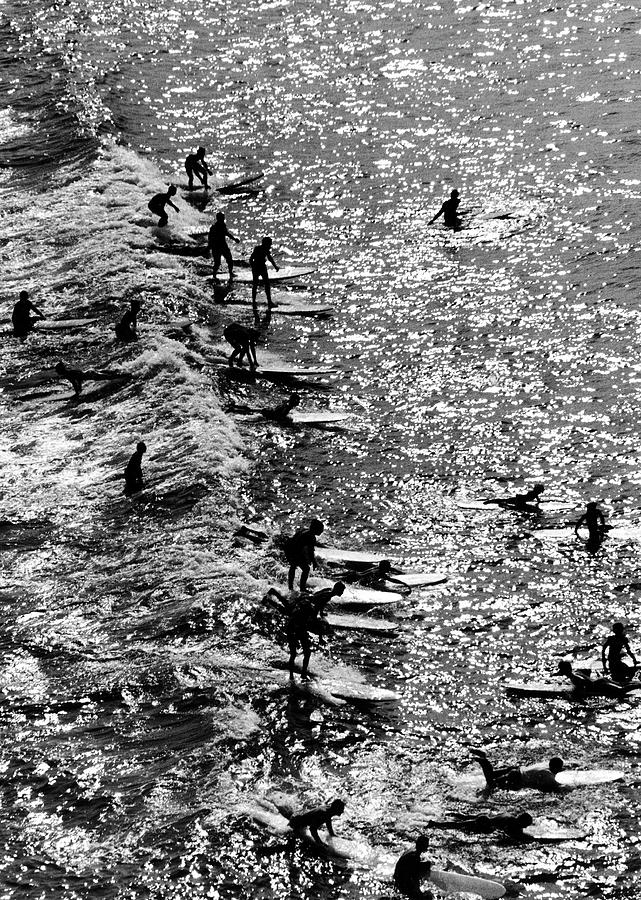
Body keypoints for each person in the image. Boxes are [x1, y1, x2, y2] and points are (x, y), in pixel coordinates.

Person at [471, 748, 564, 793]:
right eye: (559, 768)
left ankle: (483, 757)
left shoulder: (544, 765)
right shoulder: (548, 775)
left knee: (491, 774)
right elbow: (558, 786)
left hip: (515, 769)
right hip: (515, 777)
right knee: (491, 784)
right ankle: (483, 761)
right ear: (556, 768)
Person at [428, 812, 533, 841]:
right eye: (525, 825)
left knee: (463, 818)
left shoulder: (510, 815)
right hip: (483, 823)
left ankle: (449, 814)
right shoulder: (512, 823)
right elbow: (512, 834)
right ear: (522, 821)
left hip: (485, 817)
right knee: (458, 826)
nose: (525, 827)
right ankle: (435, 824)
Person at [283, 519, 324, 591]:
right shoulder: (311, 537)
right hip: (293, 550)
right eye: (320, 530)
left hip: (289, 548)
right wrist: (314, 562)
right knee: (306, 569)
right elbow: (310, 552)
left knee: (293, 566)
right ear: (315, 529)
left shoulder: (304, 530)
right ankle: (302, 588)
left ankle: (291, 587)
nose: (321, 531)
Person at [54, 362, 129, 397]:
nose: (57, 372)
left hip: (91, 375)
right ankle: (126, 371)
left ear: (61, 370)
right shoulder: (69, 371)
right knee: (110, 373)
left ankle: (126, 375)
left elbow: (75, 382)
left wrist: (77, 393)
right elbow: (78, 379)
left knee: (110, 377)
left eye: (58, 370)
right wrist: (79, 390)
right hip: (90, 372)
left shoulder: (68, 374)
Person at [557, 661, 626, 698]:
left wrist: (574, 692)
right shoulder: (576, 672)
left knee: (621, 690)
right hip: (600, 681)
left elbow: (584, 682)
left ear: (565, 670)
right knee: (621, 686)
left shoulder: (574, 677)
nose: (560, 671)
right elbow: (587, 672)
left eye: (561, 669)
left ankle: (632, 687)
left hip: (599, 685)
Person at [249, 236, 279, 312]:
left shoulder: (266, 249)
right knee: (255, 284)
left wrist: (275, 266)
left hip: (262, 267)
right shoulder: (258, 248)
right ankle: (253, 301)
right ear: (265, 243)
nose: (270, 245)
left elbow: (270, 258)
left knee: (267, 284)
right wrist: (253, 266)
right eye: (269, 244)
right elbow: (251, 258)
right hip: (257, 267)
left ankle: (269, 302)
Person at [208, 212, 240, 280]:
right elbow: (210, 238)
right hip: (216, 247)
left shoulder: (223, 225)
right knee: (217, 262)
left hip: (223, 245)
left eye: (223, 217)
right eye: (222, 218)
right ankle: (214, 275)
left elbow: (227, 233)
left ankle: (230, 273)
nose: (223, 219)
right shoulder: (214, 227)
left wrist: (234, 239)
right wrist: (209, 246)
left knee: (229, 260)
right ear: (218, 218)